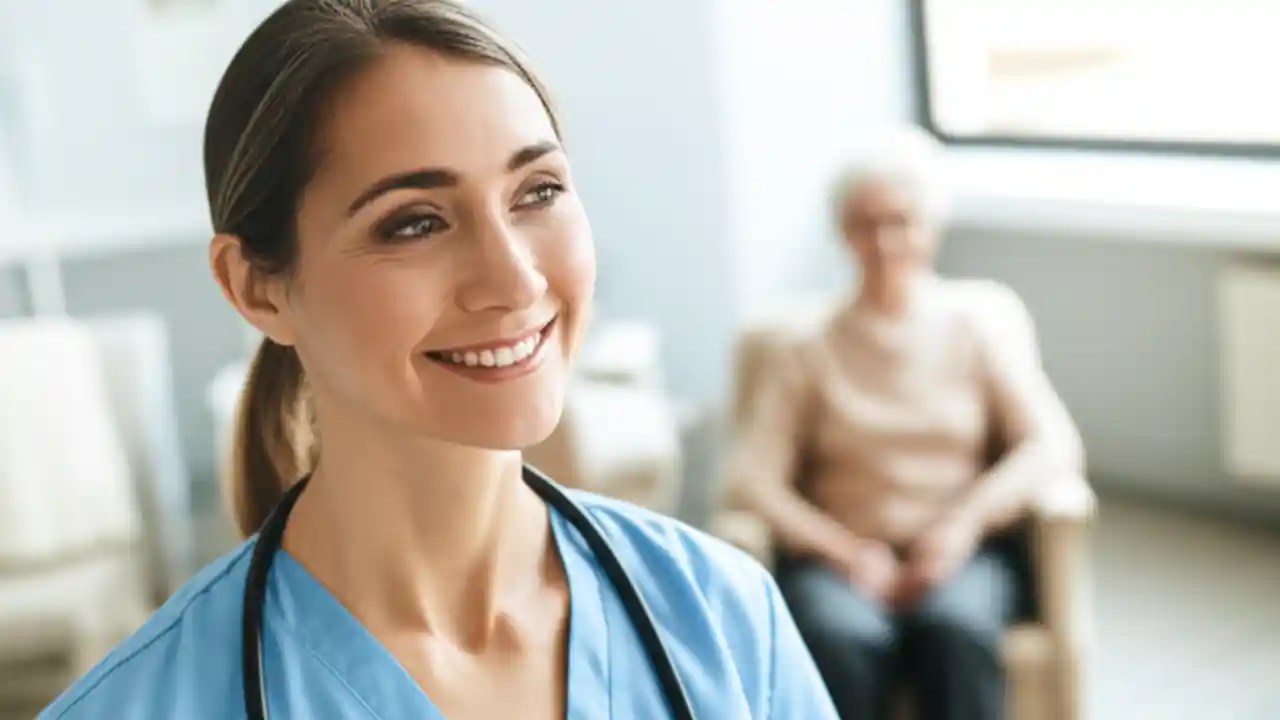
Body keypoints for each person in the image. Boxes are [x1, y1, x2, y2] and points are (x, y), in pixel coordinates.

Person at [39, 2, 836, 718]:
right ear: (256, 287)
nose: (515, 280)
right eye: (415, 223)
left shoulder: (728, 624)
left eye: (538, 191)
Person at [725, 128, 1084, 720]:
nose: (886, 241)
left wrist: (963, 526)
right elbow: (752, 478)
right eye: (866, 223)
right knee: (842, 638)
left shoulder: (976, 327)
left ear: (932, 226)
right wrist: (842, 552)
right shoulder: (805, 348)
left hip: (960, 551)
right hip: (840, 558)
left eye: (902, 220)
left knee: (957, 629)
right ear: (843, 231)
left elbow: (1050, 443)